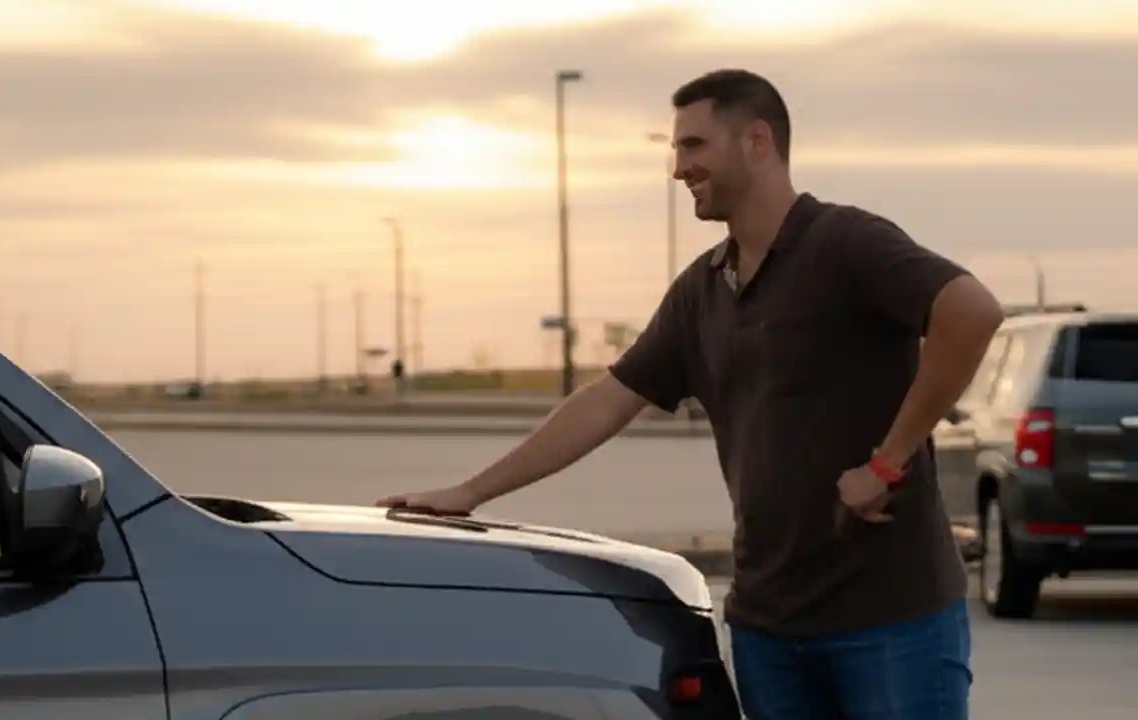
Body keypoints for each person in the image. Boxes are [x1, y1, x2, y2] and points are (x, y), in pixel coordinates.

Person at [377, 68, 1003, 719]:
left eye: (693, 146)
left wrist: (889, 460)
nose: (678, 168)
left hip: (890, 623)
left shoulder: (844, 243)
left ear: (756, 140)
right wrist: (470, 493)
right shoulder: (703, 288)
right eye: (677, 150)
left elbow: (971, 312)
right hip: (770, 628)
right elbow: (607, 401)